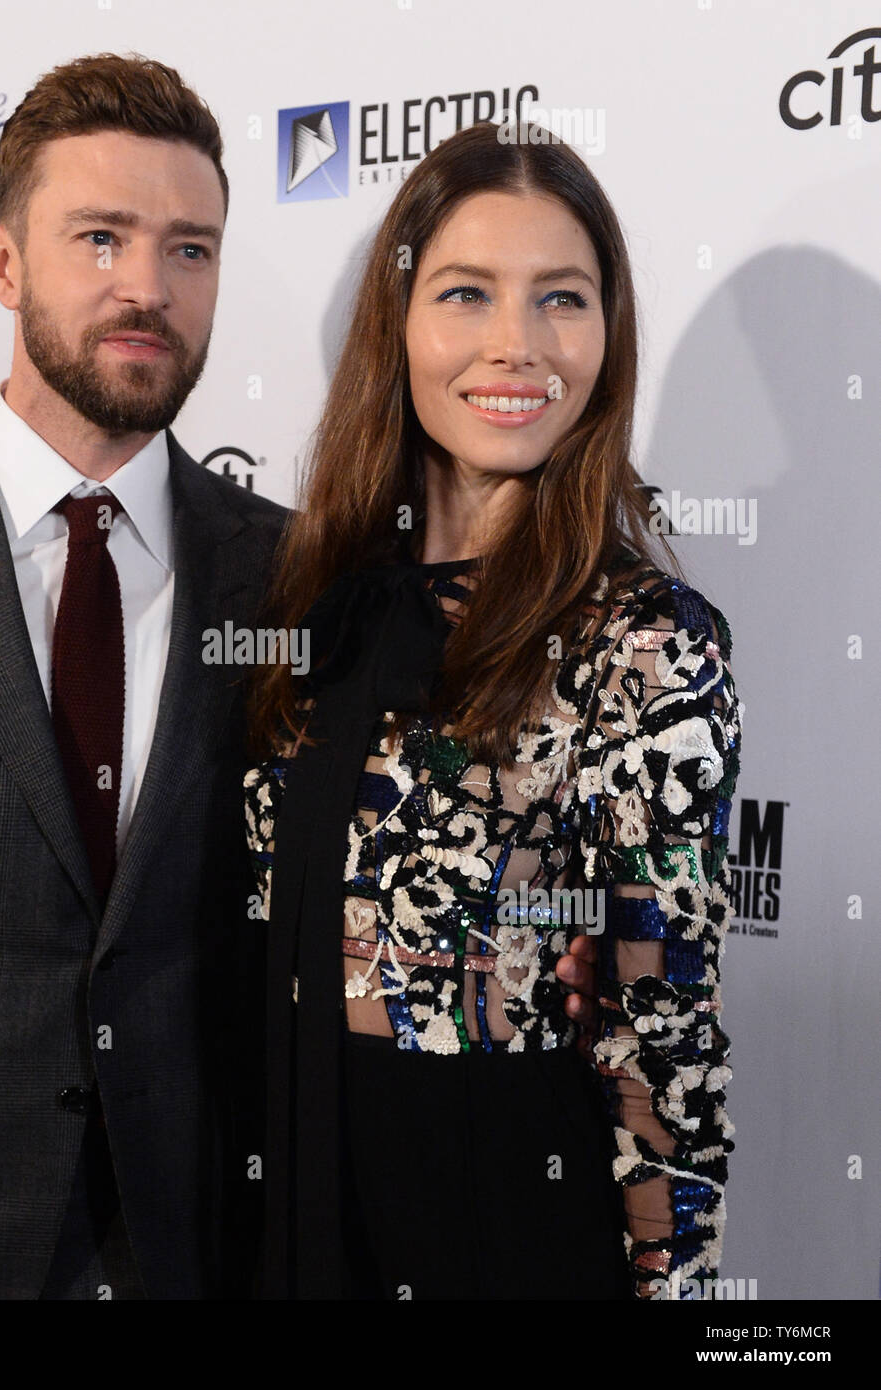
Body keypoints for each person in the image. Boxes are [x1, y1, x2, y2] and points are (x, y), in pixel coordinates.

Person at [0, 55, 600, 1301]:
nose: (144, 289)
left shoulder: (291, 569)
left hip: (205, 1239)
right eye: (98, 237)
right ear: (0, 262)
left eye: (188, 251)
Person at [244, 119, 742, 1301]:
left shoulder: (646, 641)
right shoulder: (313, 605)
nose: (517, 346)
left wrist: (671, 1289)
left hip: (498, 1223)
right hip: (280, 1211)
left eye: (561, 299)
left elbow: (662, 1044)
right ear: (398, 325)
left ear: (608, 336)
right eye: (466, 294)